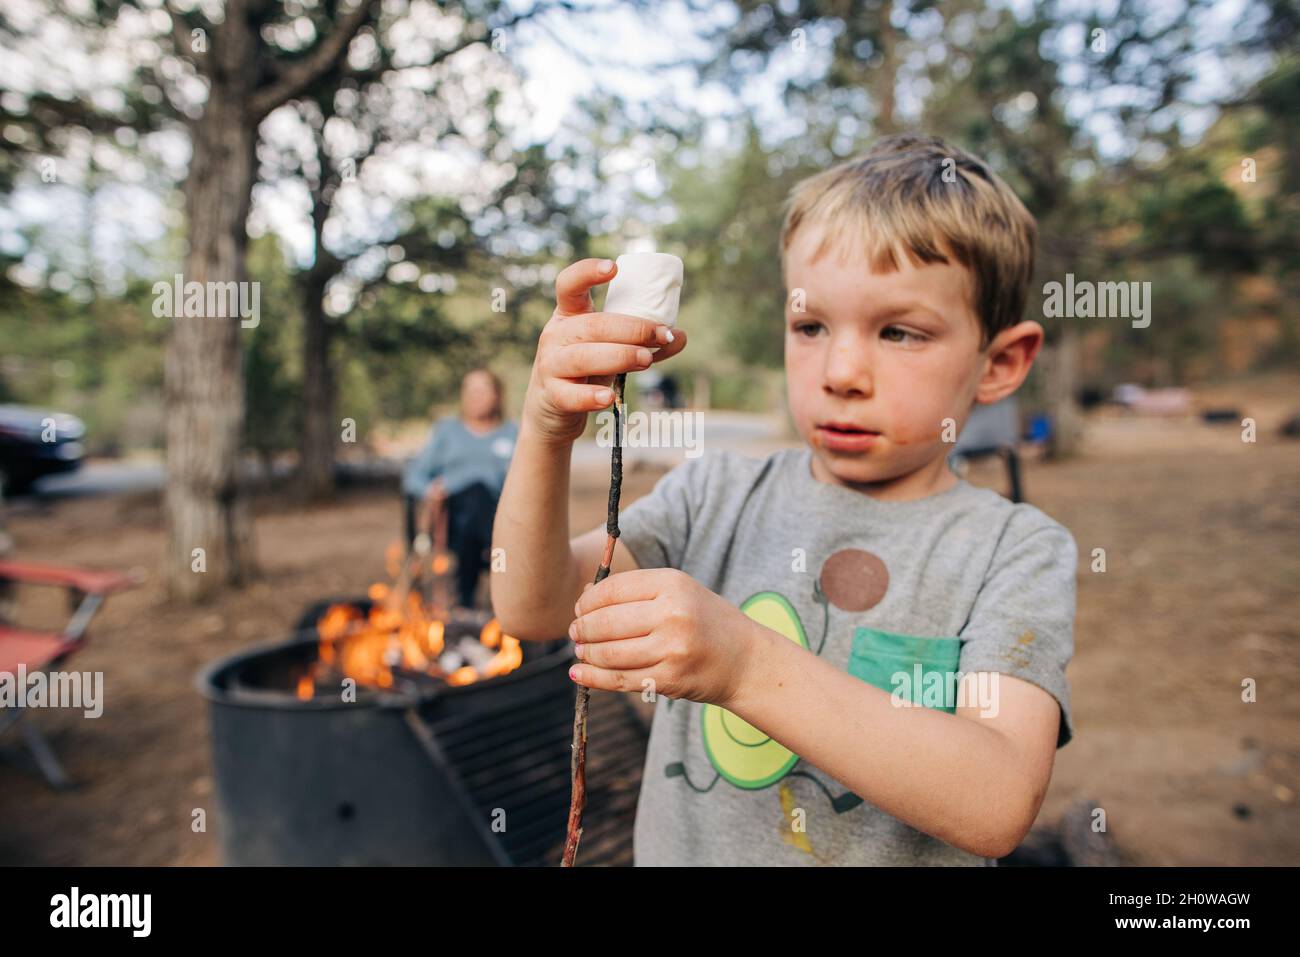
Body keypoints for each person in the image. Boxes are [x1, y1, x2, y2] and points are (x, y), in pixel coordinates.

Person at [492, 134, 1076, 866]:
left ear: (1001, 363)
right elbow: (536, 606)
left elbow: (996, 799)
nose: (841, 371)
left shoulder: (1012, 549)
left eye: (899, 331)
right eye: (811, 326)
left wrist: (742, 665)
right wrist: (545, 430)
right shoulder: (716, 495)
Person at [402, 368, 517, 610]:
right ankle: (504, 591)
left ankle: (465, 602)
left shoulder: (513, 433)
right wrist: (430, 490)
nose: (475, 396)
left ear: (497, 395)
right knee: (474, 495)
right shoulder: (447, 432)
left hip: (499, 516)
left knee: (480, 500)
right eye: (469, 390)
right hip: (452, 517)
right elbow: (413, 477)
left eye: (482, 389)